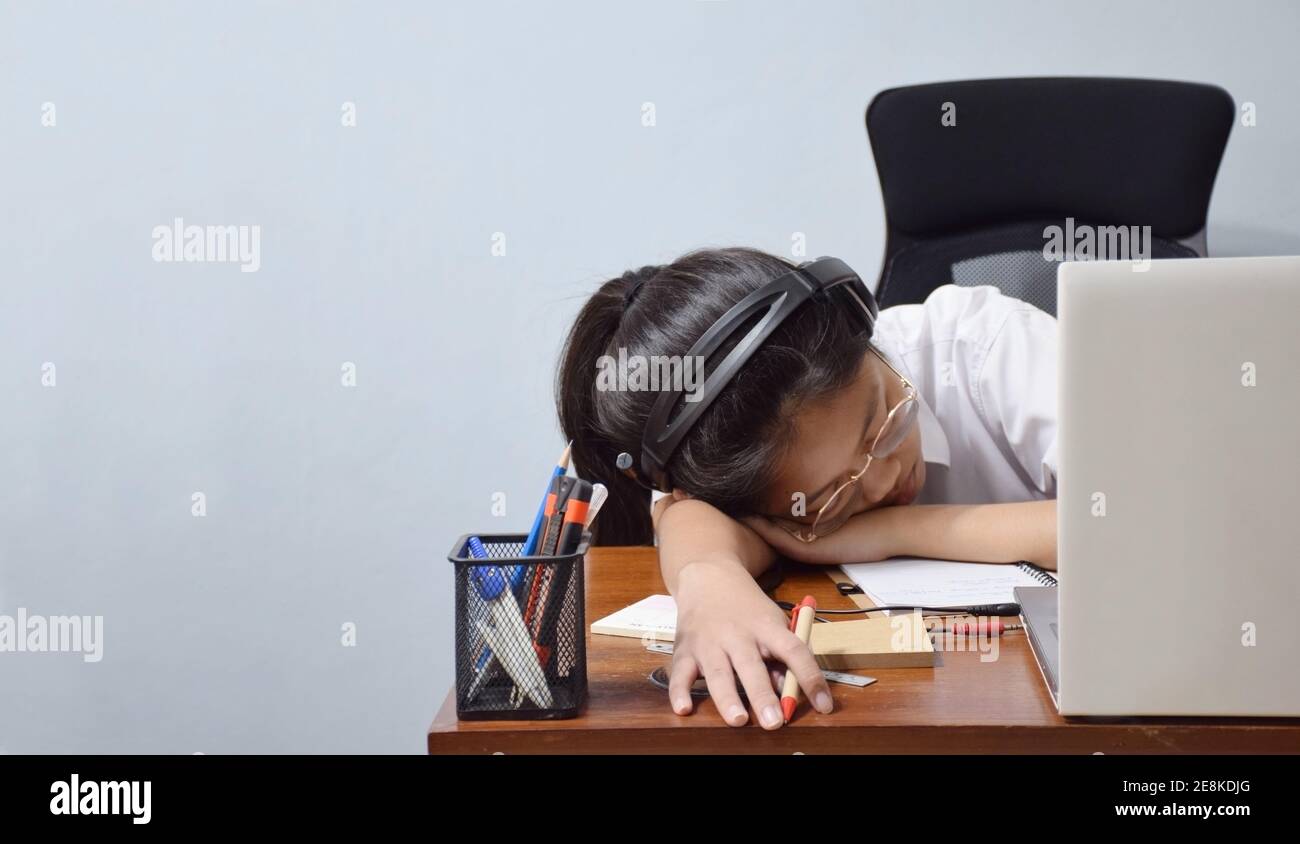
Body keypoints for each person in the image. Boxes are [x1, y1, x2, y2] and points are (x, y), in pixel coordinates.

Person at [556, 247, 1057, 730]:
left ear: (863, 330)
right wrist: (707, 582)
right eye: (829, 498)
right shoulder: (728, 460)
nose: (884, 480)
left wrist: (893, 530)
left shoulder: (987, 349)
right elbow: (686, 518)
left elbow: (1127, 521)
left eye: (881, 418)